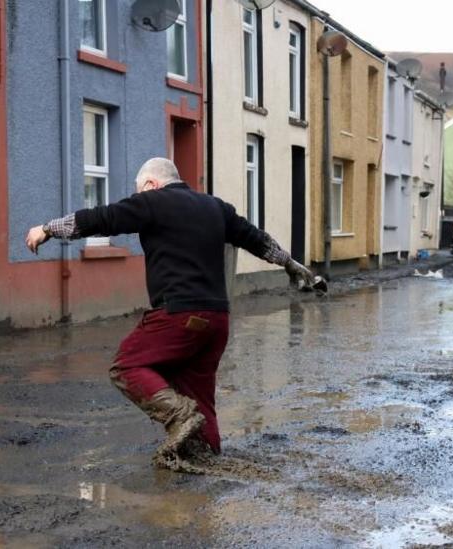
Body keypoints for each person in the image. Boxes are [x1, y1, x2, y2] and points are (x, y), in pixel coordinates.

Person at [25, 158, 316, 468]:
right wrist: (290, 263)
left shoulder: (153, 202)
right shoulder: (216, 207)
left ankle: (179, 416)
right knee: (199, 395)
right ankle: (208, 458)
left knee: (127, 366)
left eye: (140, 190)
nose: (139, 197)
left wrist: (48, 229)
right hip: (217, 320)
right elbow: (256, 239)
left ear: (152, 184)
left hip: (178, 315)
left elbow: (101, 218)